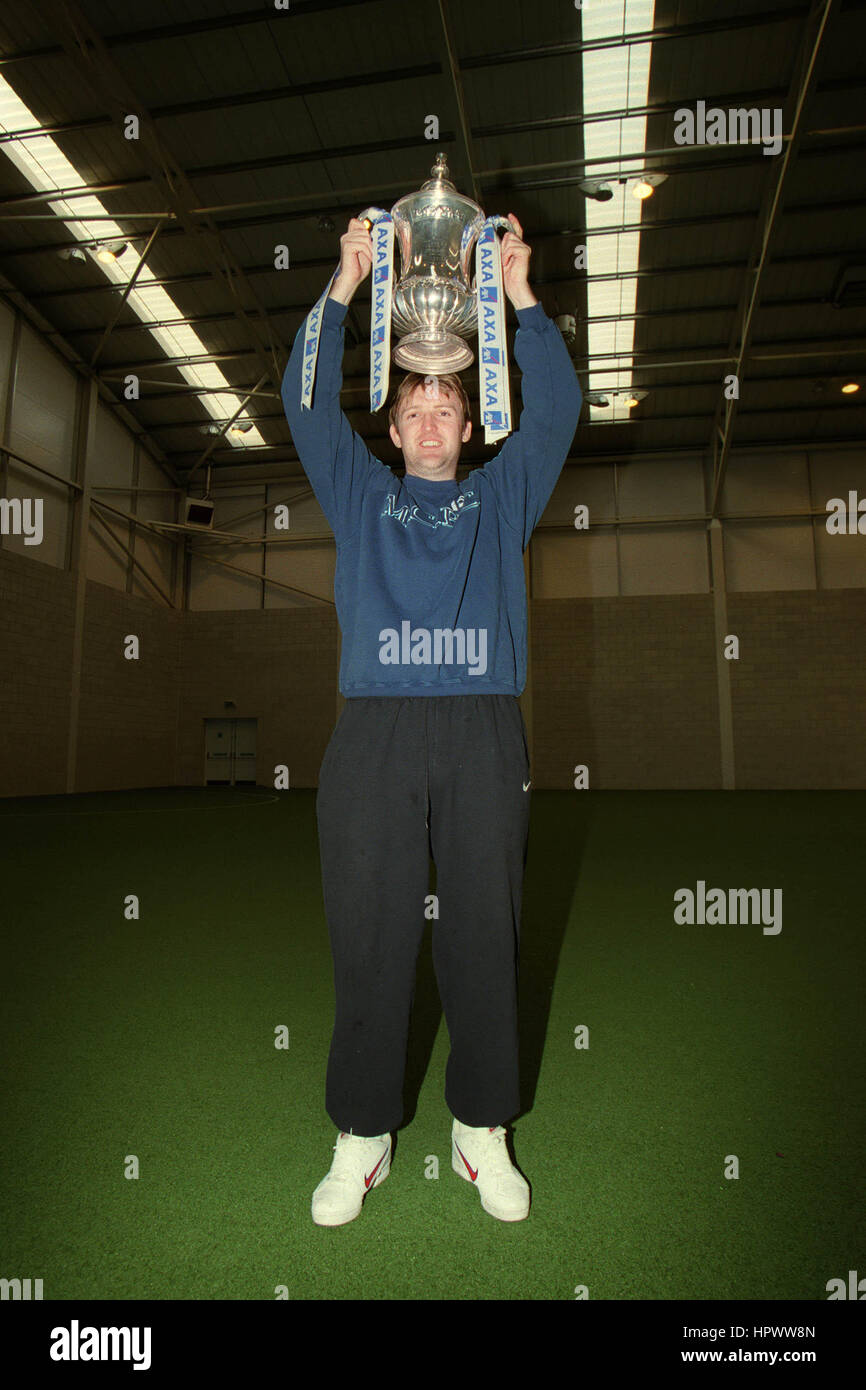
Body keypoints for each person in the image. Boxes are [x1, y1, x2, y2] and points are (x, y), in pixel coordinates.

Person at [281, 211, 582, 1227]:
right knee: (369, 931)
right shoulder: (357, 491)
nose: (427, 420)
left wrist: (522, 297)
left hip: (482, 728)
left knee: (481, 934)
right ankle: (362, 1132)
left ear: (466, 424)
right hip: (373, 733)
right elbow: (304, 400)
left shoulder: (502, 501)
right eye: (412, 405)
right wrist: (345, 279)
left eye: (446, 406)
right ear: (396, 422)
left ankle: (479, 1127)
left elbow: (557, 414)